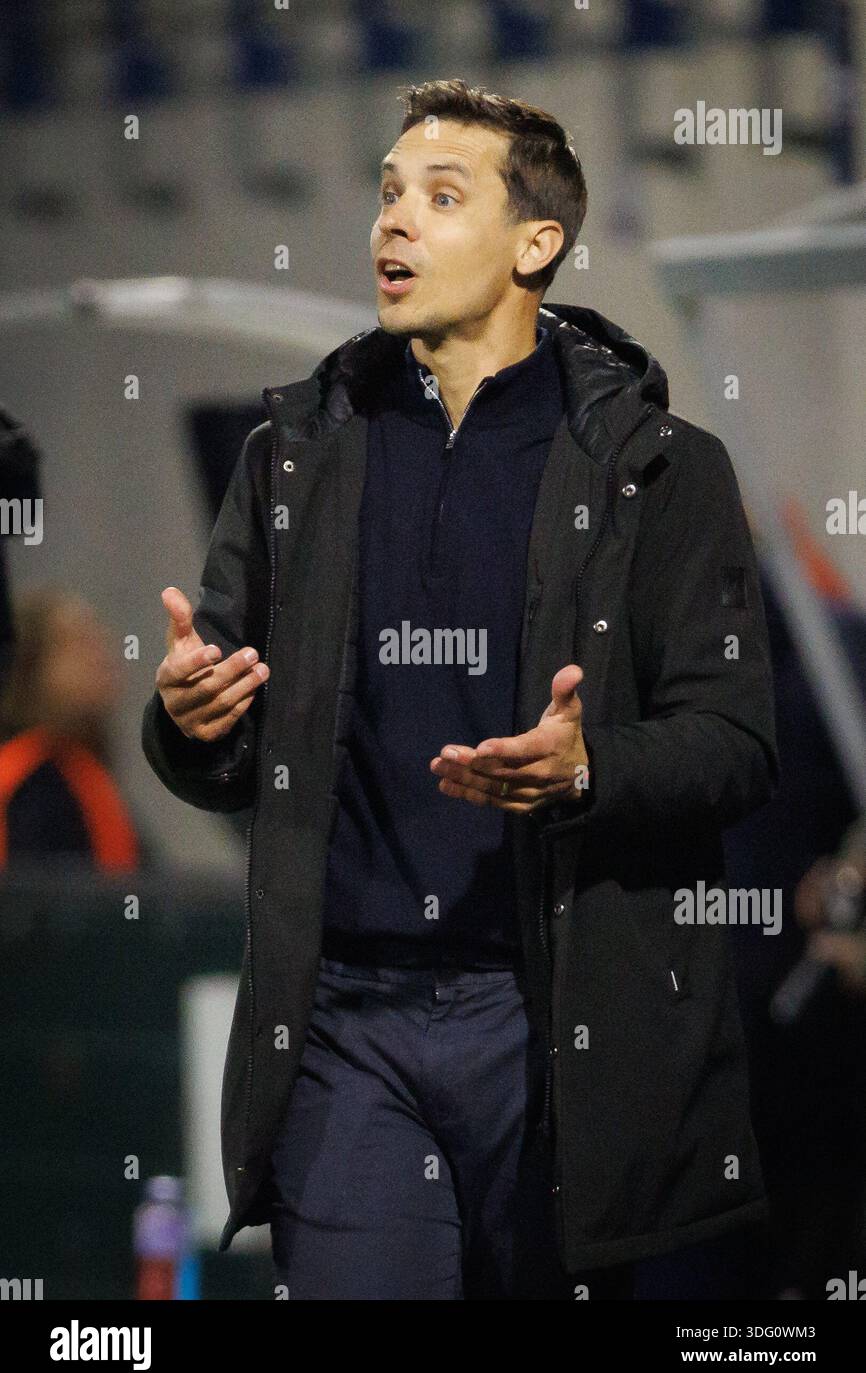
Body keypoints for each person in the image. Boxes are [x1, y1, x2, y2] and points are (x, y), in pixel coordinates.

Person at [142, 78, 779, 1300]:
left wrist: (584, 768)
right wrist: (184, 721)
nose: (393, 223)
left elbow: (737, 741)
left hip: (549, 1021)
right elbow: (211, 735)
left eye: (440, 197)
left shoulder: (660, 471)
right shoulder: (290, 456)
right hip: (345, 1025)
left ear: (534, 243)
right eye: (386, 194)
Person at [0, 586, 139, 872]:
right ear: (30, 666)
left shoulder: (82, 769)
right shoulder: (25, 780)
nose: (99, 654)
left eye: (96, 637)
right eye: (75, 643)